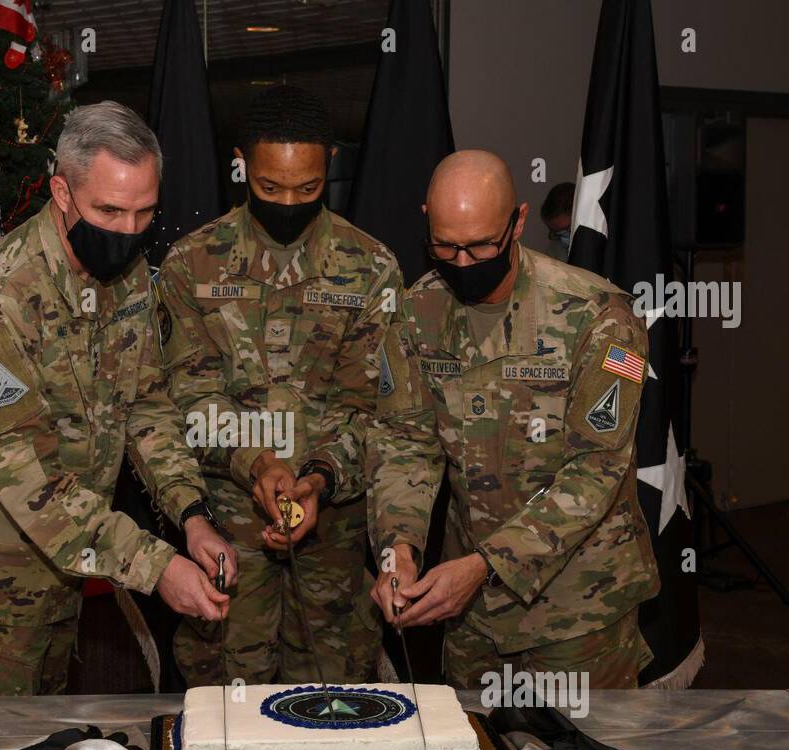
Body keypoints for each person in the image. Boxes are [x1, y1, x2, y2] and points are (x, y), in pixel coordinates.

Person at [0, 101, 234, 750]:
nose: (127, 231)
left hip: (67, 568)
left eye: (143, 214)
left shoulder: (126, 277)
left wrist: (191, 514)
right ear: (61, 193)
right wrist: (158, 568)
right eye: (108, 210)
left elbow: (147, 405)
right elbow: (37, 490)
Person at [368, 149, 660, 690]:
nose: (461, 263)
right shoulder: (417, 313)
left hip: (579, 609)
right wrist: (398, 547)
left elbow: (595, 471)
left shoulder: (597, 316)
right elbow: (403, 443)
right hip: (469, 612)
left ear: (518, 222)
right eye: (444, 245)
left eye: (481, 245)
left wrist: (486, 565)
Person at [159, 85, 402, 685]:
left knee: (334, 700)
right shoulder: (193, 264)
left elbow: (369, 406)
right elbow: (189, 397)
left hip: (335, 537)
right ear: (242, 165)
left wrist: (316, 477)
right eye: (270, 187)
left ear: (330, 166)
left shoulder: (371, 269)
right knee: (227, 708)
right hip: (227, 531)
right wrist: (258, 462)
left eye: (308, 188)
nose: (288, 201)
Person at [540, 181, 574, 261]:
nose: (563, 239)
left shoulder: (605, 248)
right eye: (557, 234)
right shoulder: (554, 252)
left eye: (568, 230)